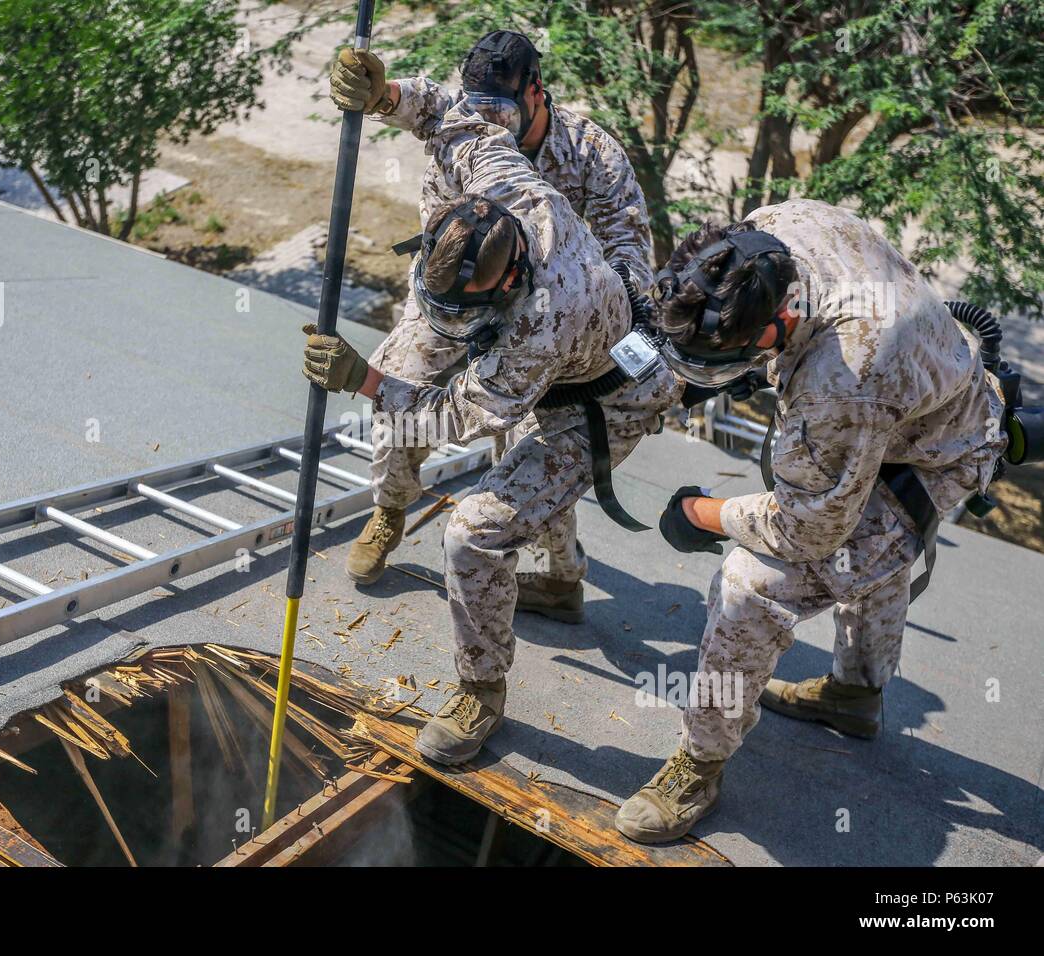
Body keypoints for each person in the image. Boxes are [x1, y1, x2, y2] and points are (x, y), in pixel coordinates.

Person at [614, 199, 1007, 844]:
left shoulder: (840, 377)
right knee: (869, 560)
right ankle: (856, 696)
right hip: (908, 400)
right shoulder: (777, 230)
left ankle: (699, 763)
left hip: (935, 452)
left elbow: (807, 530)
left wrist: (702, 514)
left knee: (749, 587)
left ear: (783, 318)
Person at [301, 99, 680, 765]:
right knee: (525, 478)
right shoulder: (500, 179)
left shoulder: (541, 321)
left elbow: (454, 416)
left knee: (476, 530)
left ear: (508, 281)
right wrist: (389, 94)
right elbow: (451, 120)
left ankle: (481, 690)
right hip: (569, 366)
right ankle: (561, 588)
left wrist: (365, 381)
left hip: (609, 400)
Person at [329, 31, 653, 626]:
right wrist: (381, 93)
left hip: (541, 317)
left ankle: (560, 575)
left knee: (532, 450)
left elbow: (630, 250)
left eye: (501, 109)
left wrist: (602, 306)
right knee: (399, 384)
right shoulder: (478, 132)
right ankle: (391, 508)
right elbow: (432, 106)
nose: (490, 122)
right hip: (451, 301)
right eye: (479, 108)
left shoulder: (592, 154)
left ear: (536, 90)